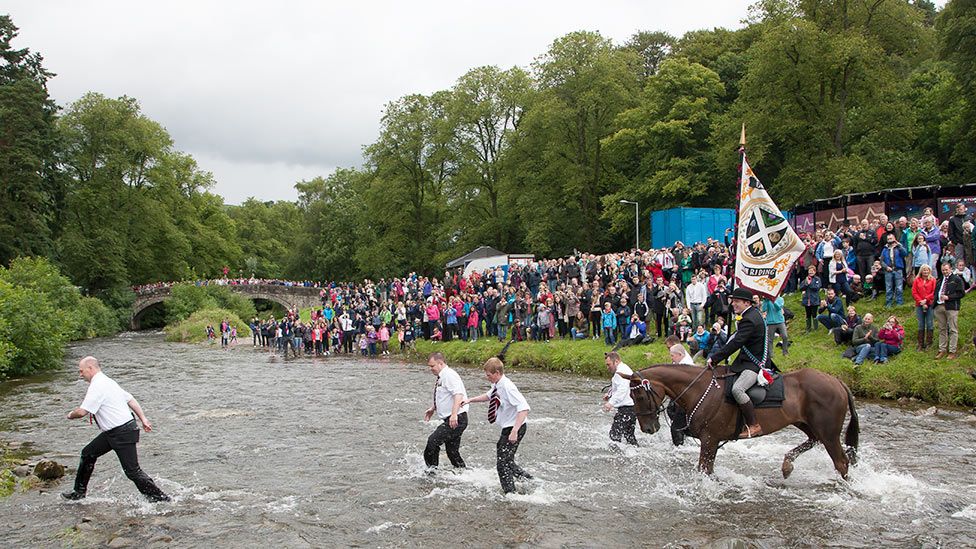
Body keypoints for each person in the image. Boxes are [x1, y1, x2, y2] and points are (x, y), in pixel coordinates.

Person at [62, 357, 170, 502]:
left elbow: (82, 412)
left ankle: (161, 499)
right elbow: (130, 399)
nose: (80, 374)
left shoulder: (98, 385)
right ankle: (78, 493)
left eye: (81, 371)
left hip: (122, 433)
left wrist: (70, 415)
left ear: (90, 368)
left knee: (132, 471)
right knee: (88, 453)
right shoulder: (108, 381)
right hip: (114, 432)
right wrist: (143, 419)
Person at [464, 357, 532, 494]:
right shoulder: (497, 385)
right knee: (507, 460)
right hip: (509, 427)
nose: (487, 377)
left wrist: (515, 431)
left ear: (497, 373)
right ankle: (528, 480)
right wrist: (470, 400)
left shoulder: (508, 387)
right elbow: (489, 396)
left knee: (502, 463)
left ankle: (510, 494)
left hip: (515, 427)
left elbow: (524, 408)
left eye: (489, 375)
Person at [707, 287, 769, 438]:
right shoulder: (751, 314)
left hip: (753, 363)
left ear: (747, 303)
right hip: (745, 360)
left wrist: (715, 358)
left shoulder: (749, 319)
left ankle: (754, 425)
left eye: (736, 301)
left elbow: (737, 343)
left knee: (738, 390)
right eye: (733, 301)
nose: (733, 304)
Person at [423, 353, 469, 470]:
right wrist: (433, 408)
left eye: (432, 366)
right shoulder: (442, 376)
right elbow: (444, 396)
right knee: (452, 452)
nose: (431, 369)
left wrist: (454, 415)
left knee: (432, 442)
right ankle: (464, 472)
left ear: (440, 363)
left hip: (457, 418)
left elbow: (458, 395)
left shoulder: (449, 375)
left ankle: (431, 472)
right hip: (455, 418)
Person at [602, 352, 637, 446]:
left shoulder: (620, 373)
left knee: (614, 436)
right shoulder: (624, 368)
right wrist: (609, 394)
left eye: (608, 364)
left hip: (626, 409)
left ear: (616, 361)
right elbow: (618, 386)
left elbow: (622, 389)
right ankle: (638, 452)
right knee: (629, 437)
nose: (607, 367)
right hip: (632, 408)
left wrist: (611, 403)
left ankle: (615, 455)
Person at [934, 260, 966, 359]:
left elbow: (961, 293)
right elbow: (936, 292)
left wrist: (949, 297)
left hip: (951, 306)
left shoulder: (956, 279)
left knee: (953, 329)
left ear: (950, 269)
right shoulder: (940, 279)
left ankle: (952, 351)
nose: (945, 271)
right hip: (939, 306)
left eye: (946, 270)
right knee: (942, 329)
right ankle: (942, 349)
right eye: (943, 270)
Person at [912, 263, 936, 350]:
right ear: (921, 271)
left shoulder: (933, 280)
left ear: (929, 271)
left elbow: (934, 292)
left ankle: (929, 343)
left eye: (927, 270)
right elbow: (914, 292)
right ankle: (920, 343)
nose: (925, 272)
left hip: (930, 304)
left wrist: (926, 300)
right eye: (924, 270)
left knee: (930, 323)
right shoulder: (917, 280)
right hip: (919, 304)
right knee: (920, 324)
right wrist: (920, 301)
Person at [880, 233, 907, 307]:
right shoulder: (885, 249)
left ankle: (899, 303)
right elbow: (881, 261)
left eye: (891, 238)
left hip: (898, 269)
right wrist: (886, 267)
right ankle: (888, 303)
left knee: (899, 288)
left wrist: (899, 246)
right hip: (888, 270)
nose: (890, 240)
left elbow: (905, 254)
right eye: (888, 239)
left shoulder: (899, 247)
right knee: (888, 288)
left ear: (894, 238)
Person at [799, 265, 822, 332]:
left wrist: (810, 284)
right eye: (809, 271)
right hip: (807, 299)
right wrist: (806, 284)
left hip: (814, 299)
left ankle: (816, 328)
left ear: (815, 272)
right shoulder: (805, 279)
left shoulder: (817, 279)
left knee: (814, 314)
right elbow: (801, 287)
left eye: (812, 271)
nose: (811, 272)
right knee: (808, 314)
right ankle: (808, 328)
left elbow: (817, 287)